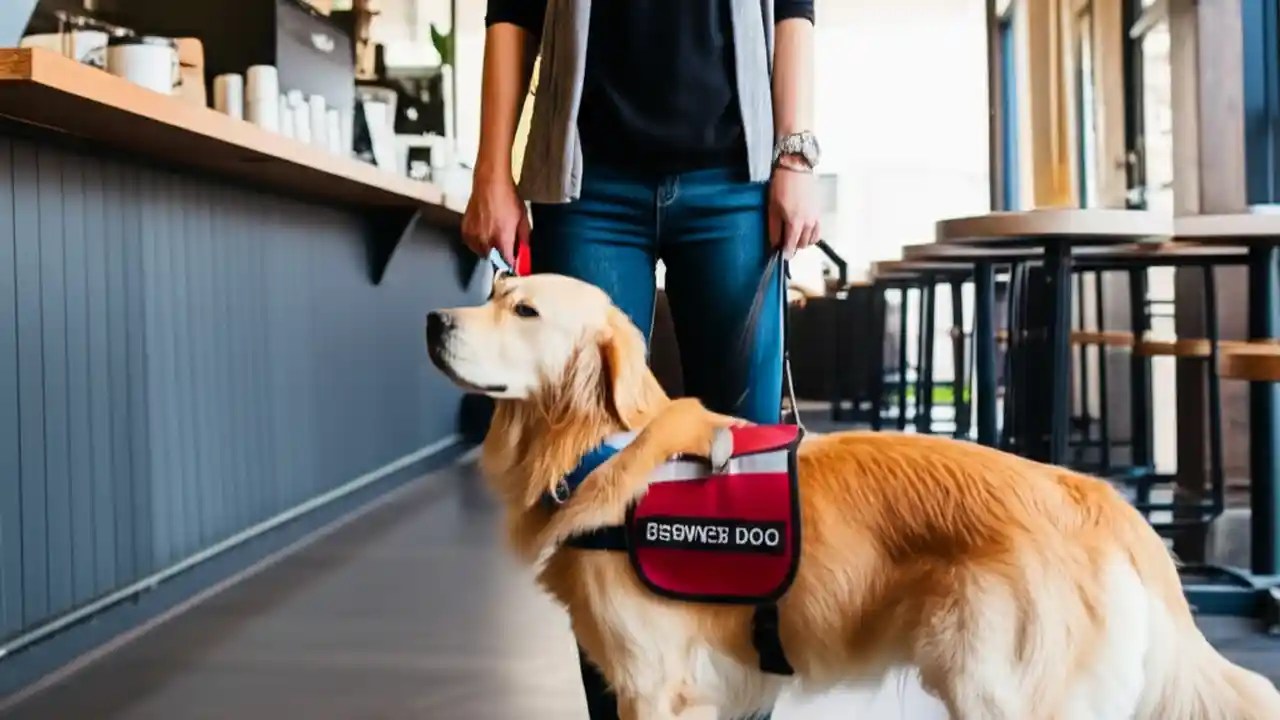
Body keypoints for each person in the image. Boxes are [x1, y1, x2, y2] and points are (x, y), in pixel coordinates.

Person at [462, 0, 820, 716]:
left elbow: (795, 9)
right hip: (587, 182)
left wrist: (796, 153)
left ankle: (740, 707)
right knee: (586, 456)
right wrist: (492, 169)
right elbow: (512, 11)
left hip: (734, 181)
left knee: (741, 467)